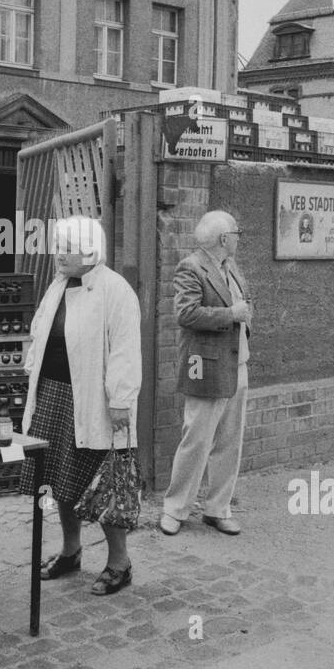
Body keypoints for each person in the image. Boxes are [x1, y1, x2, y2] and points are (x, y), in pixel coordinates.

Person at [19, 217, 142, 595]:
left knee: (103, 483)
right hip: (53, 396)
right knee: (59, 481)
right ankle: (71, 552)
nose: (58, 254)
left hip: (94, 402)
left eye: (67, 247)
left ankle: (119, 562)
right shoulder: (59, 285)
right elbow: (40, 333)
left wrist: (120, 400)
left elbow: (124, 349)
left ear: (90, 251)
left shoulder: (115, 290)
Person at [160, 210, 252, 536]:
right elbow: (186, 314)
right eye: (236, 233)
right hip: (205, 364)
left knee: (230, 441)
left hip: (236, 363)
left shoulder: (231, 267)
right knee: (196, 439)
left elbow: (244, 303)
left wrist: (242, 313)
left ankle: (218, 508)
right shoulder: (191, 267)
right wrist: (232, 313)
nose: (239, 238)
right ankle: (175, 508)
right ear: (224, 238)